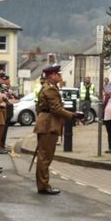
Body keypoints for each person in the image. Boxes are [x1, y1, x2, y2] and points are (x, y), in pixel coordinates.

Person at [34, 64, 83, 194]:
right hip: (48, 125)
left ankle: (43, 184)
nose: (60, 76)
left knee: (44, 155)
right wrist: (73, 115)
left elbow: (39, 107)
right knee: (45, 156)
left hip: (45, 123)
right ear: (51, 76)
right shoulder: (50, 89)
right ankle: (43, 185)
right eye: (58, 74)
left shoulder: (48, 87)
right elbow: (56, 108)